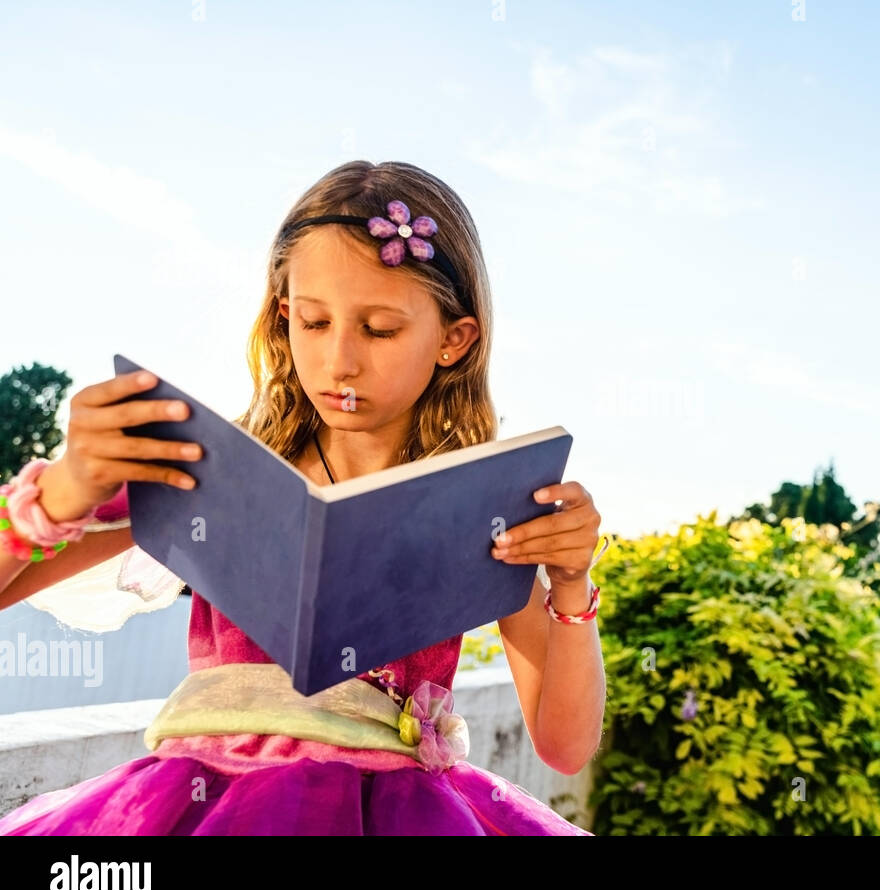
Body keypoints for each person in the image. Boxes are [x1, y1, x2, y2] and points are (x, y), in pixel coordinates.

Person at [0, 160, 607, 834]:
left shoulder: (483, 508)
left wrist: (572, 584)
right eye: (314, 322)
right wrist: (61, 490)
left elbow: (564, 745)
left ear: (454, 340)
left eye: (379, 329)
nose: (339, 360)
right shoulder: (211, 468)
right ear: (283, 314)